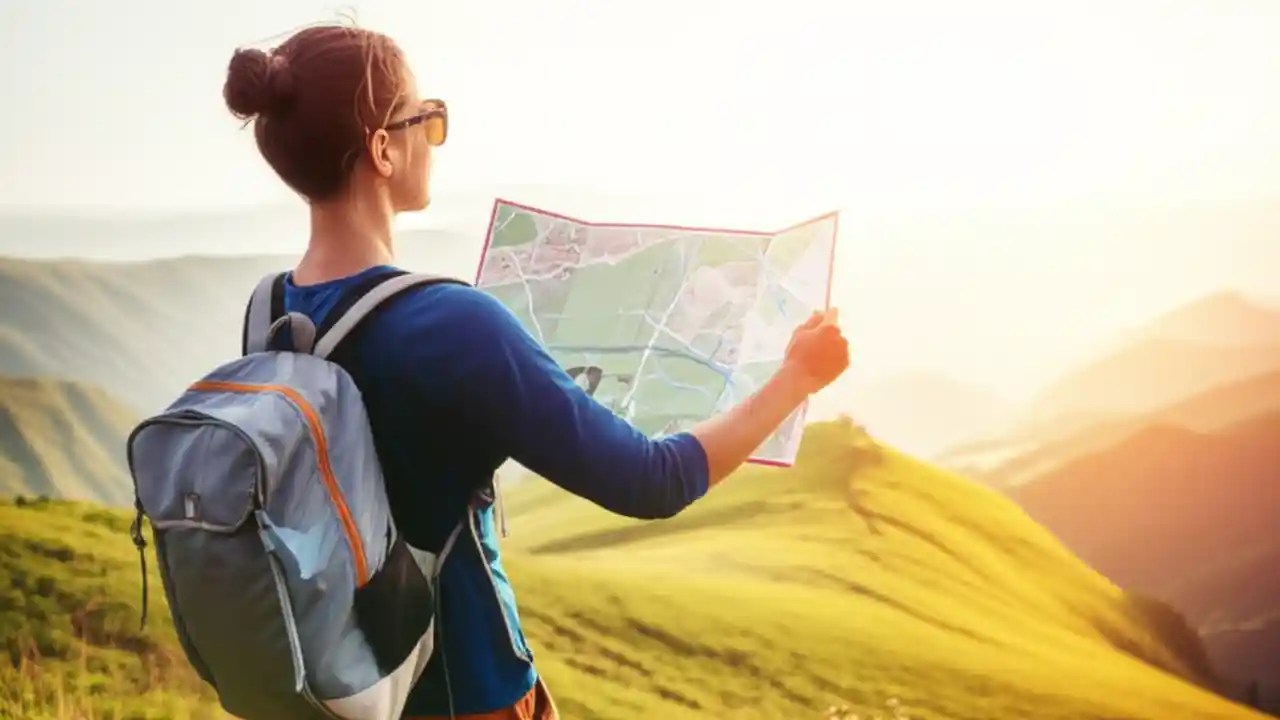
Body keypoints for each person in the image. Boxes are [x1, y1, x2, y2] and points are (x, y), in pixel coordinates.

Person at [221, 21, 849, 720]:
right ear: (381, 150)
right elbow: (651, 480)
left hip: (335, 691)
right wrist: (796, 377)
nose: (434, 134)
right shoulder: (452, 323)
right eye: (427, 119)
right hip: (465, 691)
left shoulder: (269, 312)